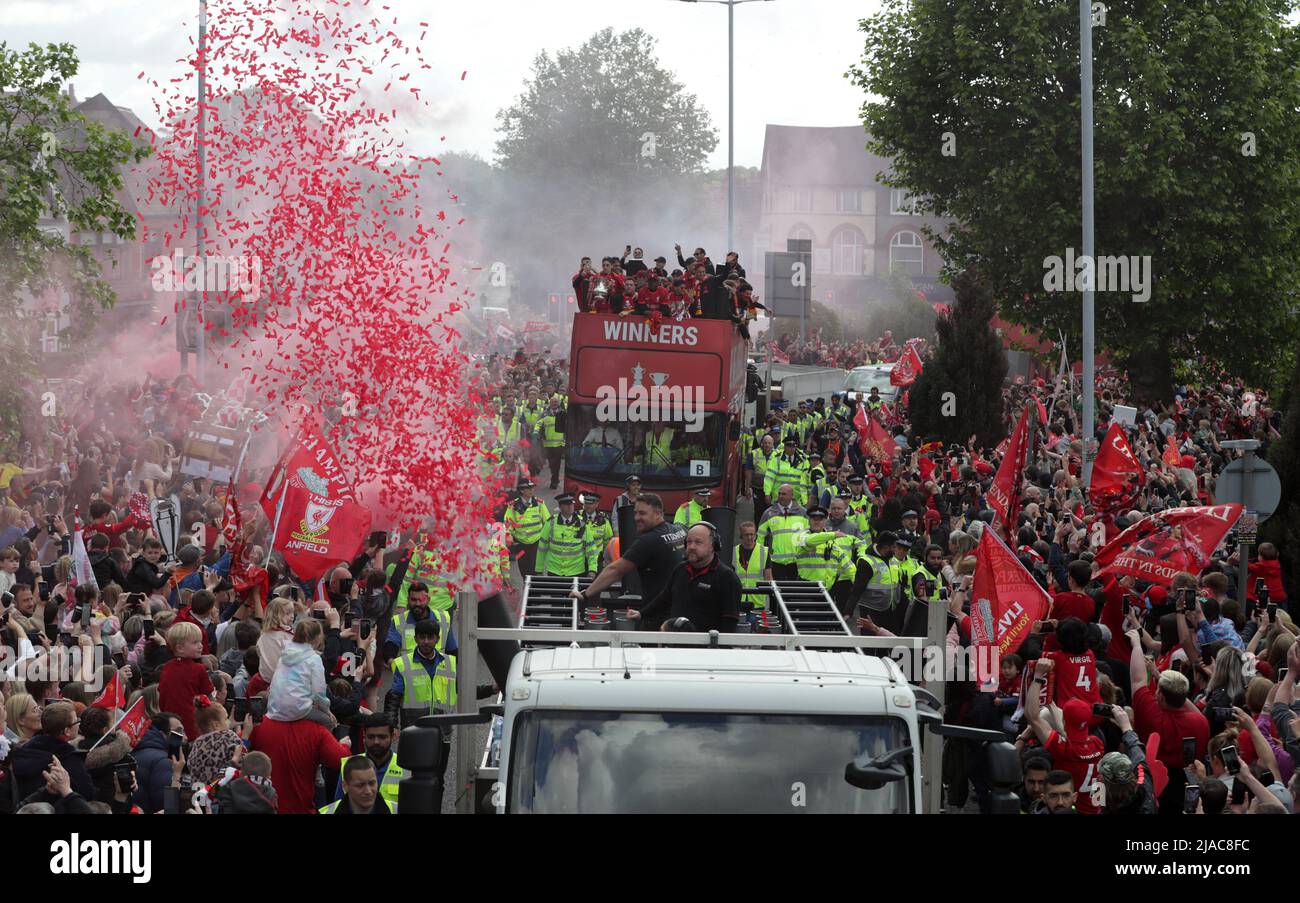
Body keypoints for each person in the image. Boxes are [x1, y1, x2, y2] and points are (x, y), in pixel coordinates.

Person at [1126, 626, 1209, 813]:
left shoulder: (1152, 715)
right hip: (1187, 787)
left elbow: (1137, 680)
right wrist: (1165, 680)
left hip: (1154, 785)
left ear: (1162, 697)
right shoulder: (1200, 722)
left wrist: (1137, 644)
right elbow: (1192, 708)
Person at [574, 494, 685, 631]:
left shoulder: (649, 540)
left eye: (642, 513)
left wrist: (585, 594)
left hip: (659, 617)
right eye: (635, 513)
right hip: (679, 610)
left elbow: (615, 570)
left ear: (658, 514)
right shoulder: (677, 531)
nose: (637, 517)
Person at [625, 522, 741, 633]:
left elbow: (729, 623)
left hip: (707, 646)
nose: (692, 546)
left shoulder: (726, 577)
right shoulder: (680, 569)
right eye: (689, 542)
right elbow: (664, 598)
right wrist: (641, 614)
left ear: (713, 546)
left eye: (698, 542)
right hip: (676, 643)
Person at [1024, 659, 1105, 814]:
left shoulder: (1063, 749)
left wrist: (1038, 676)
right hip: (1096, 810)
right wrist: (1051, 705)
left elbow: (1032, 716)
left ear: (1064, 721)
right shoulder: (1097, 744)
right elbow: (1069, 735)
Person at [248, 702, 352, 815]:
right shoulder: (316, 730)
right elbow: (341, 760)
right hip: (299, 807)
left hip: (263, 805)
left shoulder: (259, 726)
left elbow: (238, 753)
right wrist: (345, 745)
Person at [10, 701, 96, 802]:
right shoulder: (69, 759)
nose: (79, 722)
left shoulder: (24, 751)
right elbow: (88, 794)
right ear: (67, 731)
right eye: (76, 721)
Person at [333, 712, 406, 811]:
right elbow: (339, 806)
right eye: (371, 737)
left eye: (382, 737)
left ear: (393, 736)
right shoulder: (348, 765)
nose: (376, 742)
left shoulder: (405, 767)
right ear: (364, 736)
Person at [756, 484, 809, 581]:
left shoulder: (803, 513)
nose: (780, 496)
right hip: (775, 562)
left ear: (791, 495)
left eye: (784, 494)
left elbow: (809, 536)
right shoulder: (768, 513)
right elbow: (760, 537)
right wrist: (762, 559)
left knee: (795, 590)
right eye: (779, 494)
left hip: (797, 562)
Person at [504, 479, 549, 578]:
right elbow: (508, 524)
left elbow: (548, 522)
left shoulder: (539, 503)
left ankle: (536, 587)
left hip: (537, 543)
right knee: (524, 571)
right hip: (521, 544)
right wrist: (509, 536)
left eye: (532, 488)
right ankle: (527, 586)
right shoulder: (513, 506)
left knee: (537, 570)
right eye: (529, 488)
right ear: (521, 490)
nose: (532, 490)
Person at [538, 494, 590, 577]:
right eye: (566, 504)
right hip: (554, 571)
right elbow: (542, 547)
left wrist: (592, 569)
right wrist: (538, 569)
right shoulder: (551, 523)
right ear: (560, 507)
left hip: (576, 571)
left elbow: (591, 548)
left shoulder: (582, 523)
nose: (570, 507)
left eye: (572, 504)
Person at [320, 755, 393, 814]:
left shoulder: (397, 810)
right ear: (345, 786)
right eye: (360, 785)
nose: (368, 791)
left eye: (372, 783)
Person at [733, 520, 771, 611]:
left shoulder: (764, 551)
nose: (749, 537)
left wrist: (768, 604)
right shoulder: (733, 552)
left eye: (752, 534)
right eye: (746, 535)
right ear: (741, 536)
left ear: (755, 535)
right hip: (739, 600)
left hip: (758, 602)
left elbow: (768, 578)